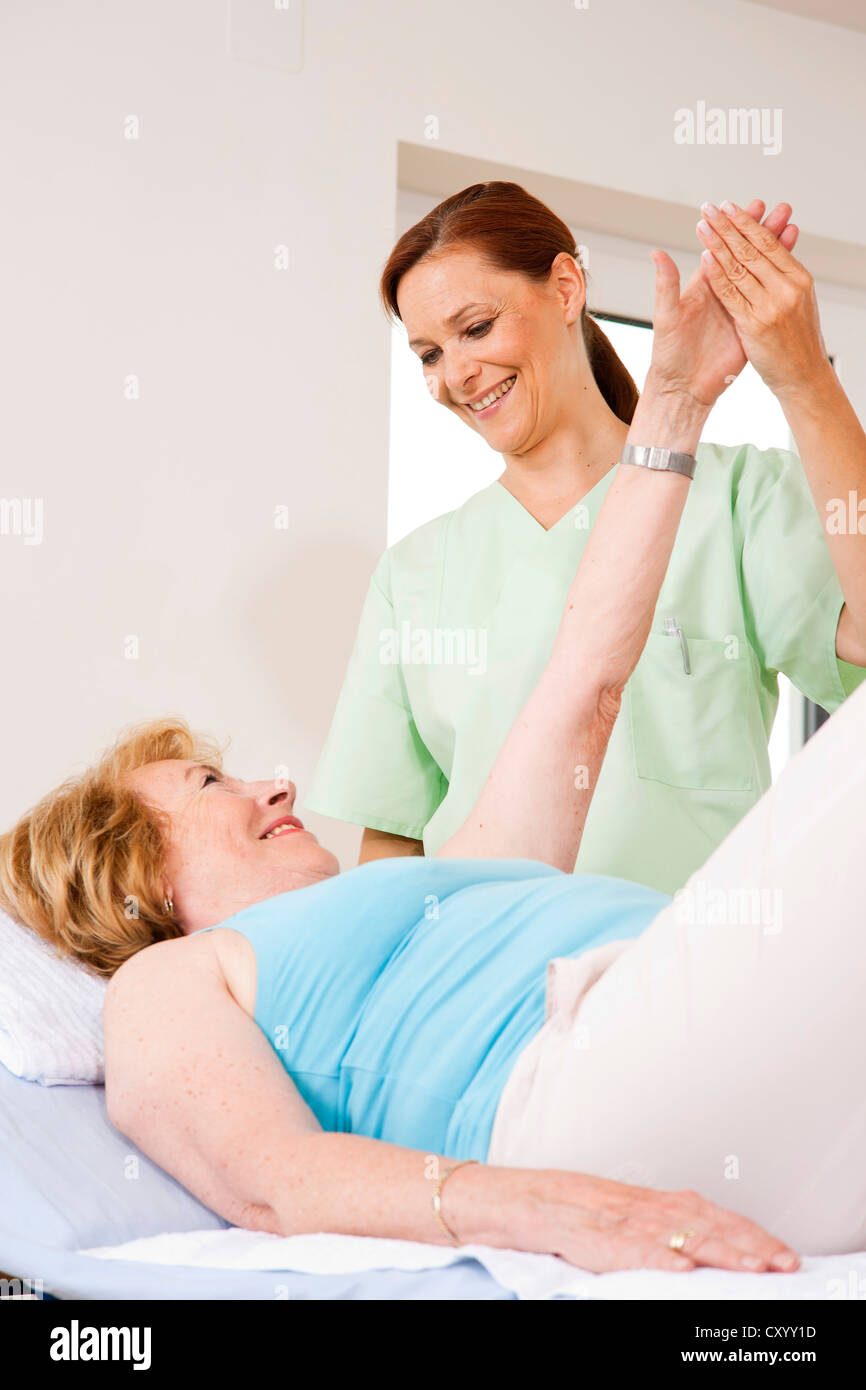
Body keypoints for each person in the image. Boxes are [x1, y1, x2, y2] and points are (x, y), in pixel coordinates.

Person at [4, 237, 866, 1273]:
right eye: (208, 784)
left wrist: (676, 401)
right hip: (574, 1093)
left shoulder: (444, 890)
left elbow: (586, 672)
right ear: (134, 877)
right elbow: (278, 1177)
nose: (276, 782)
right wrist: (548, 1208)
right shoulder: (166, 983)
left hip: (693, 1063)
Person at [306, 183, 866, 893]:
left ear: (566, 288)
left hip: (684, 971)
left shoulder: (732, 497)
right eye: (427, 354)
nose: (455, 375)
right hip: (494, 977)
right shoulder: (413, 574)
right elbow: (392, 843)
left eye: (475, 328)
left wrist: (804, 376)